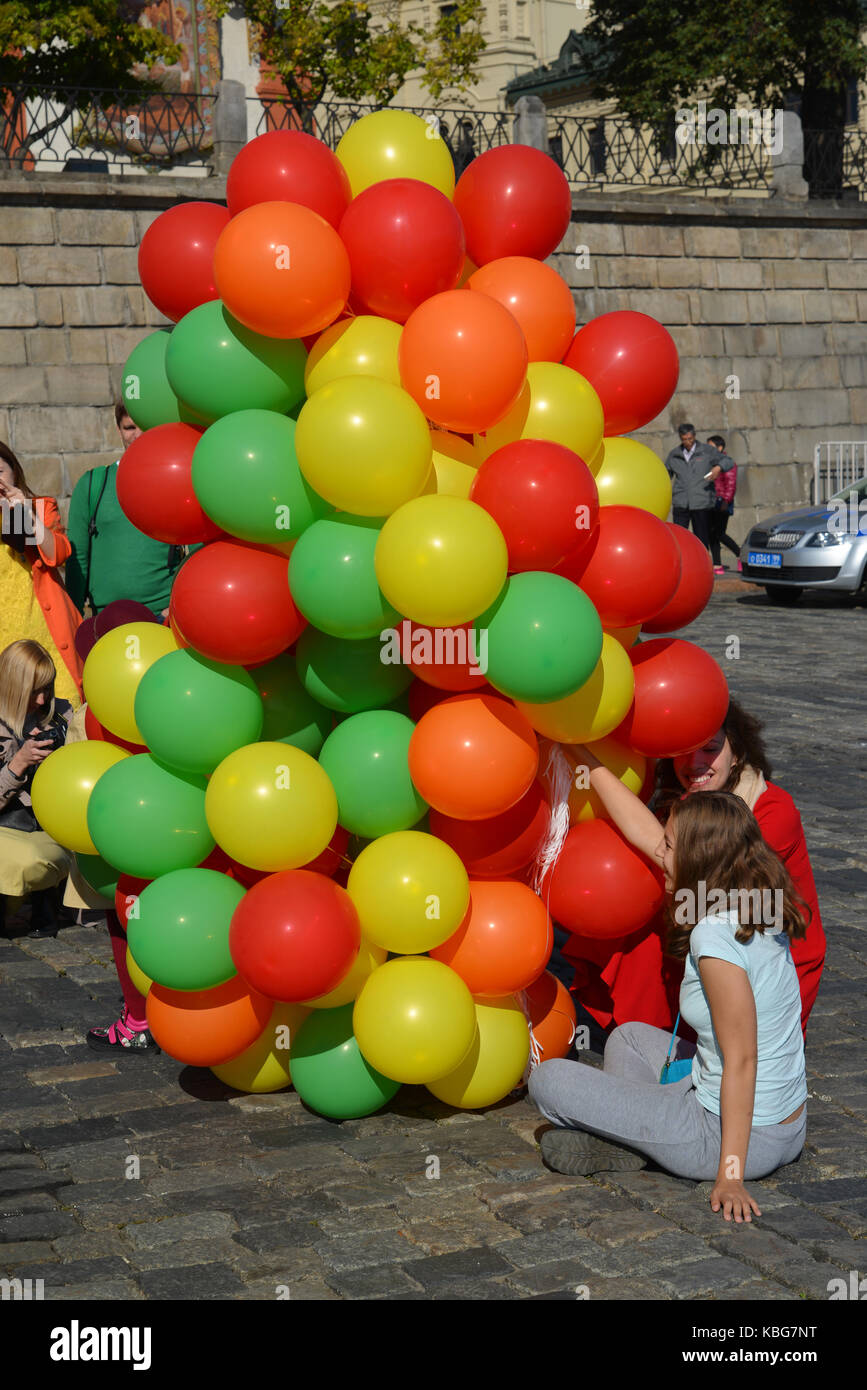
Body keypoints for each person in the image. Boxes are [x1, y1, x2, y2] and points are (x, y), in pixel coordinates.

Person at [530, 777, 808, 1216]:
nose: (659, 851)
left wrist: (730, 1175)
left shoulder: (716, 938)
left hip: (736, 1135)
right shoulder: (759, 903)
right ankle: (643, 1140)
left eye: (669, 845)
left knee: (548, 1080)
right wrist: (590, 762)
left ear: (700, 860)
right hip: (780, 1122)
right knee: (630, 1039)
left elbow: (741, 1060)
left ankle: (643, 1141)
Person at [552, 700, 825, 1043]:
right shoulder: (689, 802)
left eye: (710, 749)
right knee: (638, 904)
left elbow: (673, 861)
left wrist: (585, 759)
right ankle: (655, 1032)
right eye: (682, 751)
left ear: (737, 753)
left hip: (768, 964)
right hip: (712, 930)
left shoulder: (773, 811)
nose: (695, 764)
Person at [65, 403, 186, 619]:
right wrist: (73, 621)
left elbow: (197, 550)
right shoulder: (93, 484)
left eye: (144, 426)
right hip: (107, 617)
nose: (137, 435)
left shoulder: (177, 481)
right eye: (129, 427)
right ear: (119, 430)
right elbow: (77, 559)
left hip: (164, 614)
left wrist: (180, 605)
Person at [0, 442, 84, 705]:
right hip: (5, 644)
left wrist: (22, 511)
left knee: (64, 714)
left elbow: (58, 554)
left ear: (14, 471)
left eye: (0, 471)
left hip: (46, 638)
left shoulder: (39, 507)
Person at [0, 641, 74, 936]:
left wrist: (63, 754)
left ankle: (46, 895)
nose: (43, 701)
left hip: (49, 828)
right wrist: (17, 764)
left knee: (32, 858)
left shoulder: (64, 715)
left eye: (48, 688)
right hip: (7, 826)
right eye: (34, 691)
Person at [664, 424, 736, 551]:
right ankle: (684, 565)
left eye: (690, 439)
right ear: (680, 438)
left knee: (702, 538)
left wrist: (718, 467)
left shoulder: (707, 451)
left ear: (694, 436)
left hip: (701, 502)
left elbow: (728, 461)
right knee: (679, 537)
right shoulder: (674, 454)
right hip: (681, 502)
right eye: (684, 439)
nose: (688, 442)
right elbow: (665, 474)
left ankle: (703, 564)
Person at [707, 434, 742, 575]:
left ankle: (740, 554)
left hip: (722, 503)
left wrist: (726, 501)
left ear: (720, 448)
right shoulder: (710, 462)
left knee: (719, 533)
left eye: (711, 447)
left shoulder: (727, 463)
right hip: (710, 501)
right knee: (711, 534)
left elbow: (731, 484)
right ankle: (717, 564)